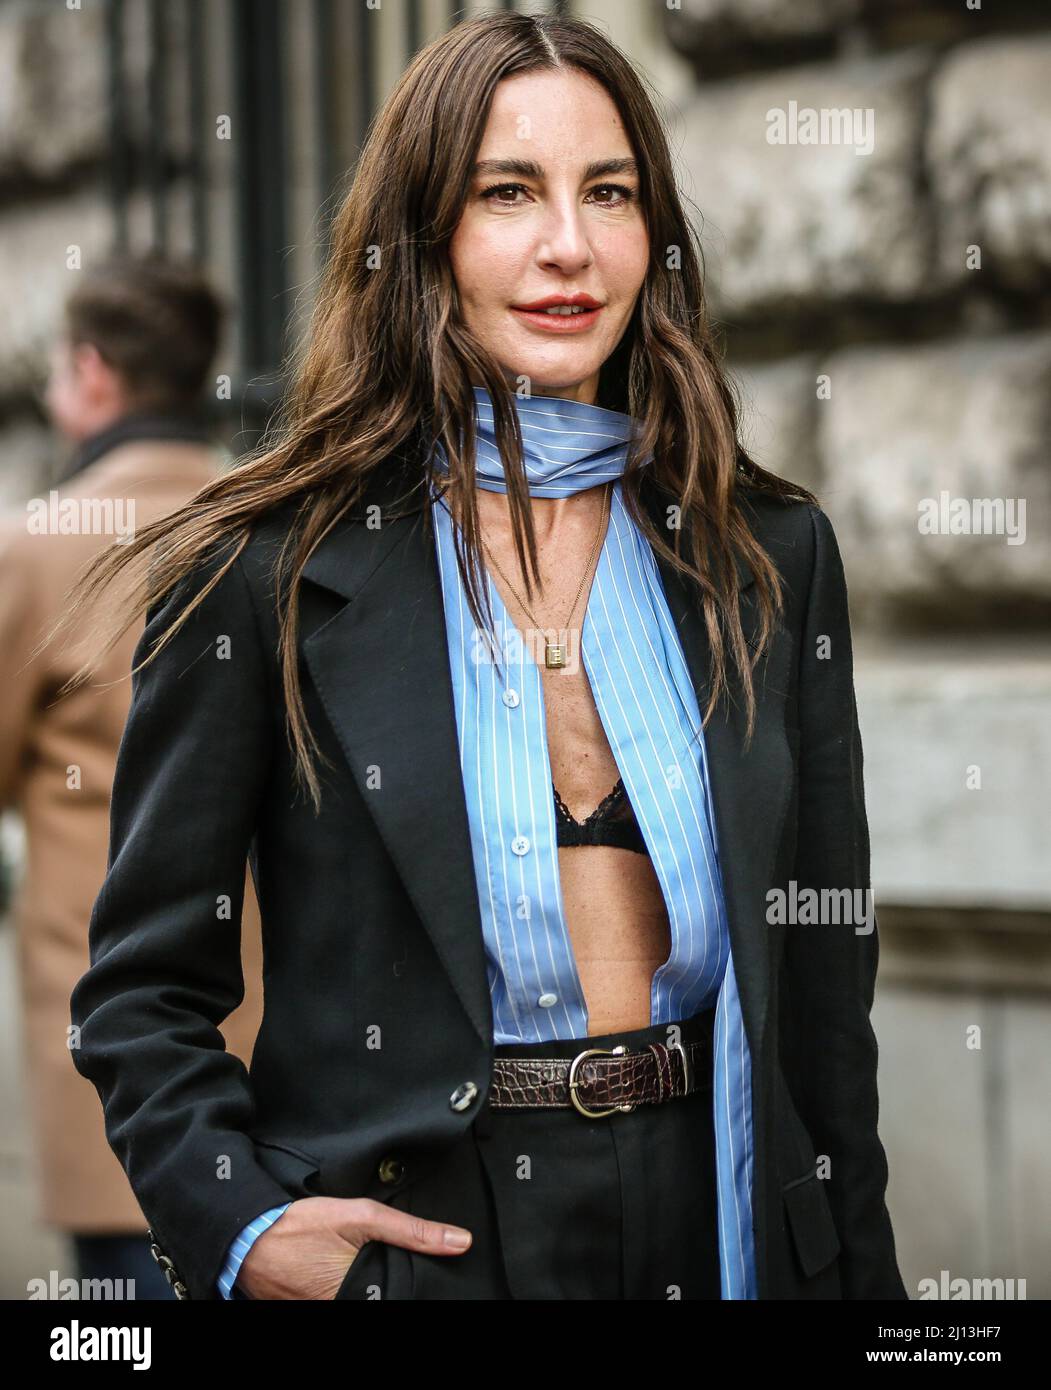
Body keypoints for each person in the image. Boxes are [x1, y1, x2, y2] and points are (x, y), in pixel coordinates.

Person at [65, 13, 906, 1301]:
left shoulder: (768, 554)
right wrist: (243, 1231)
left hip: (720, 1215)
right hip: (427, 1247)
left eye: (608, 193)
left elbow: (827, 1001)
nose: (567, 245)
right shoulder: (264, 573)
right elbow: (142, 988)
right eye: (506, 192)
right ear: (419, 239)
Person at [0, 254, 265, 1299]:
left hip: (119, 1088)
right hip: (283, 1072)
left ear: (96, 374)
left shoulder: (36, 548)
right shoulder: (267, 522)